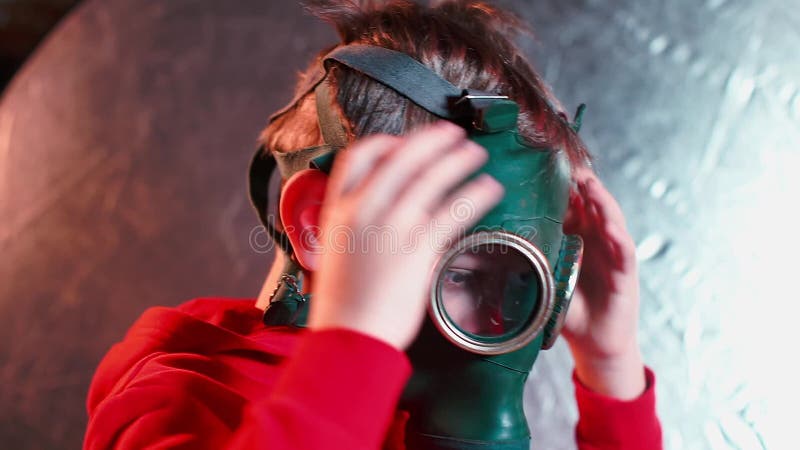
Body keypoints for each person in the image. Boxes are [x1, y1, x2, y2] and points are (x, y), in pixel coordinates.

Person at [84, 1, 662, 449]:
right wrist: (354, 348)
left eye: (513, 283)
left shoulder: (403, 401)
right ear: (321, 228)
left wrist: (611, 368)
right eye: (460, 273)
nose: (491, 326)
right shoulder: (167, 407)